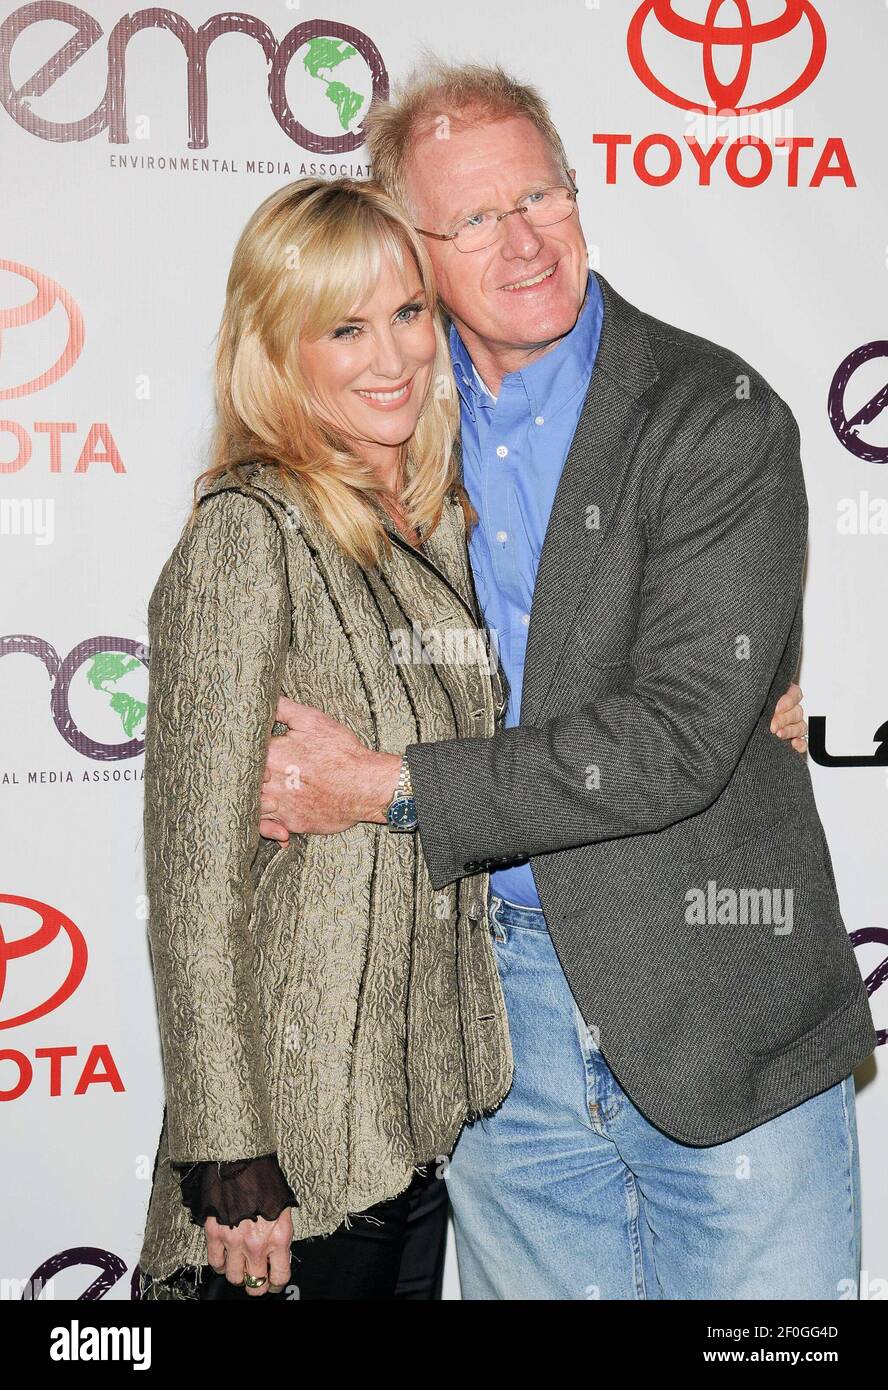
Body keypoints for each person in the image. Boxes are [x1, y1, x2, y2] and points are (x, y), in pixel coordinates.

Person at [256, 59, 876, 1300]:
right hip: (494, 1021)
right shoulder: (380, 433)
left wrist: (386, 786)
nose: (523, 239)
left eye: (539, 195)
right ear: (411, 250)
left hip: (717, 994)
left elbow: (678, 736)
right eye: (473, 218)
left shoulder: (716, 413)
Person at [137, 176, 514, 1300]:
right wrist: (225, 1149)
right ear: (280, 349)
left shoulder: (441, 527)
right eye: (346, 326)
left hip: (417, 1139)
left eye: (408, 312)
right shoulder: (247, 537)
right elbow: (192, 881)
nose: (391, 354)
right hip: (284, 1172)